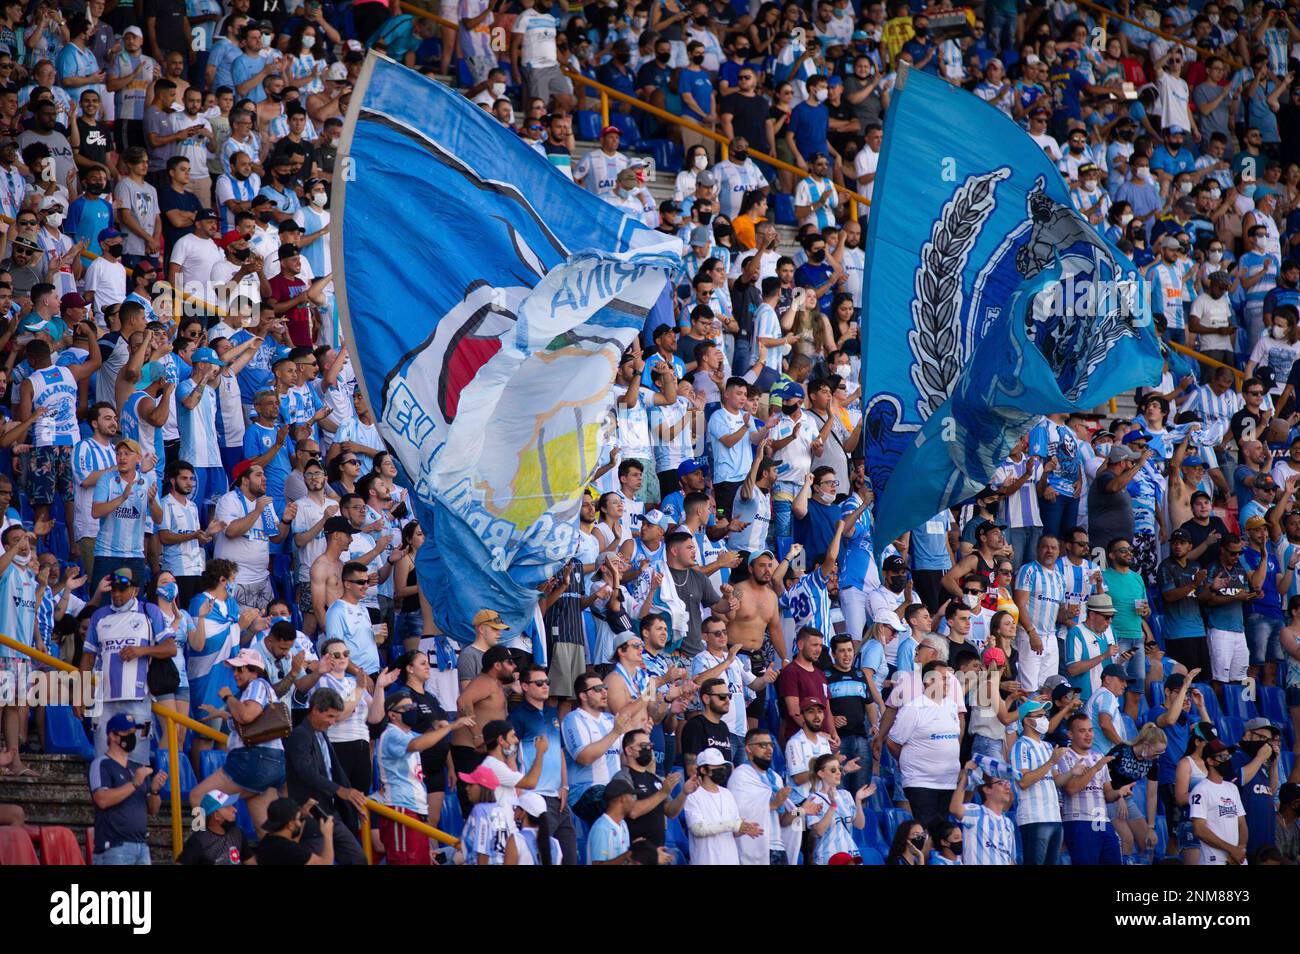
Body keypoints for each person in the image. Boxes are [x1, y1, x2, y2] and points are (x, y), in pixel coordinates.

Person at [79, 566, 176, 761]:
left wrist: (143, 650)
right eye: (113, 589)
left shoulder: (150, 612)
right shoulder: (99, 616)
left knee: (137, 760)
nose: (116, 594)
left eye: (122, 589)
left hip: (137, 698)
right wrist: (80, 694)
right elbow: (88, 657)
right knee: (102, 758)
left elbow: (170, 648)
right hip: (102, 699)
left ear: (135, 591)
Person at [190, 648, 286, 832]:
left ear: (254, 671)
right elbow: (251, 723)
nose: (235, 674)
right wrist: (222, 714)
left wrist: (228, 696)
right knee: (267, 832)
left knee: (197, 796)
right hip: (272, 764)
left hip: (253, 760)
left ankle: (200, 840)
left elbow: (247, 716)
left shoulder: (256, 684)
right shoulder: (261, 689)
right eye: (234, 669)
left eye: (240, 669)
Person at [563, 671, 641, 823]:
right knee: (620, 805)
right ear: (583, 696)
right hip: (586, 790)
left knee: (646, 798)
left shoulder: (611, 719)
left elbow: (626, 757)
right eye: (597, 689)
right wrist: (616, 732)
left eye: (604, 687)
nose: (604, 691)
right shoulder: (573, 719)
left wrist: (640, 740)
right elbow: (584, 758)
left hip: (614, 788)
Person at [88, 713, 166, 865]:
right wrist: (134, 783)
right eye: (127, 733)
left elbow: (153, 810)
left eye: (133, 733)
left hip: (141, 845)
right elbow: (102, 799)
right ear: (113, 736)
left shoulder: (137, 767)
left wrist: (155, 791)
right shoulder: (101, 764)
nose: (131, 736)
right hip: (114, 846)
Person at [1056, 712, 1130, 865]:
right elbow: (1070, 789)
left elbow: (1107, 794)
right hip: (1079, 821)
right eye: (1082, 731)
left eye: (1090, 730)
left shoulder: (1098, 756)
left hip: (1101, 820)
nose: (1088, 735)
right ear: (1070, 734)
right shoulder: (1064, 756)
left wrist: (1119, 793)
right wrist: (1096, 768)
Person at [1009, 699, 1068, 865]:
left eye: (1045, 715)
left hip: (1054, 817)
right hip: (1034, 817)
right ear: (1027, 720)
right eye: (1040, 715)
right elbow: (1023, 781)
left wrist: (1073, 773)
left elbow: (1055, 780)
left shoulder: (1048, 747)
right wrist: (1050, 762)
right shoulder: (1020, 746)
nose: (1045, 719)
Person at [682, 746, 761, 864]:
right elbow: (698, 829)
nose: (722, 769)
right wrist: (733, 825)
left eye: (723, 766)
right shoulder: (692, 795)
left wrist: (743, 829)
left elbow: (733, 830)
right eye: (717, 767)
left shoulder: (727, 794)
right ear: (703, 770)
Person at [803, 752, 872, 865]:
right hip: (828, 856)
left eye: (839, 769)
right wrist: (832, 806)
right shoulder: (813, 799)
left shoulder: (845, 794)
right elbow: (818, 832)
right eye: (833, 770)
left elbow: (860, 825)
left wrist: (858, 801)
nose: (839, 773)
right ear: (821, 773)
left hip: (851, 855)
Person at [1190, 739, 1249, 866]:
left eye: (1228, 756)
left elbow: (1242, 823)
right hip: (1213, 860)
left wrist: (1240, 850)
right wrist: (1231, 850)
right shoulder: (1200, 790)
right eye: (1222, 756)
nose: (1227, 760)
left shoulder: (1232, 788)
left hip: (1237, 859)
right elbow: (1199, 829)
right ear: (1210, 761)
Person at [949, 760, 1017, 866]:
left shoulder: (1008, 823)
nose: (1007, 787)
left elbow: (1010, 859)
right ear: (987, 790)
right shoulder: (976, 812)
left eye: (1008, 783)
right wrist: (966, 777)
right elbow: (955, 808)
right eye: (1001, 783)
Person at [460, 763, 514, 865]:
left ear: (482, 787)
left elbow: (483, 850)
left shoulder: (480, 810)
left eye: (471, 784)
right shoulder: (498, 809)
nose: (467, 788)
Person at [177, 790, 251, 865]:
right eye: (228, 807)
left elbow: (250, 861)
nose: (235, 810)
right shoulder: (199, 841)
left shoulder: (237, 833)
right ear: (217, 815)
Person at [254, 796, 334, 865]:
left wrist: (301, 816)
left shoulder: (267, 842)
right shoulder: (291, 851)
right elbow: (326, 863)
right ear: (290, 825)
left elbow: (294, 840)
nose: (300, 822)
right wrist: (328, 835)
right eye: (298, 819)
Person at [587, 775, 636, 864]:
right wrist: (626, 855)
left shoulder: (623, 824)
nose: (634, 800)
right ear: (623, 798)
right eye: (632, 796)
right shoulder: (601, 828)